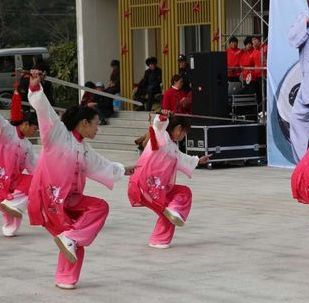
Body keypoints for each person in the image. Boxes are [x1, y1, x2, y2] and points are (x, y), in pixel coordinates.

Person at [27, 70, 136, 290]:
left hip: (70, 201)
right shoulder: (56, 134)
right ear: (84, 123)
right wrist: (36, 88)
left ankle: (64, 273)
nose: (97, 128)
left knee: (97, 209)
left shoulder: (84, 149)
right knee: (74, 242)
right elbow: (44, 111)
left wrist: (125, 169)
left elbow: (102, 166)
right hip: (50, 200)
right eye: (95, 124)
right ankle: (66, 274)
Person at [128, 111, 211, 249]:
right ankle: (159, 238)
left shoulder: (172, 147)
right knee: (167, 213)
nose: (184, 136)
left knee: (183, 193)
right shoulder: (162, 136)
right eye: (184, 133)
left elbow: (182, 158)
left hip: (157, 188)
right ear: (178, 128)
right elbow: (158, 125)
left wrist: (198, 160)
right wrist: (162, 117)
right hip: (144, 185)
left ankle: (164, 230)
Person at [0, 112, 38, 237]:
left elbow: (34, 168)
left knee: (38, 180)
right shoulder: (7, 130)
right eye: (35, 128)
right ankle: (11, 205)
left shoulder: (27, 146)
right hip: (1, 178)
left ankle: (12, 207)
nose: (36, 132)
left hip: (13, 182)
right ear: (26, 124)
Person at [288, 5, 309, 163]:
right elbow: (293, 38)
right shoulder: (304, 16)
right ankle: (304, 163)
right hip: (307, 80)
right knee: (297, 118)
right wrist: (306, 23)